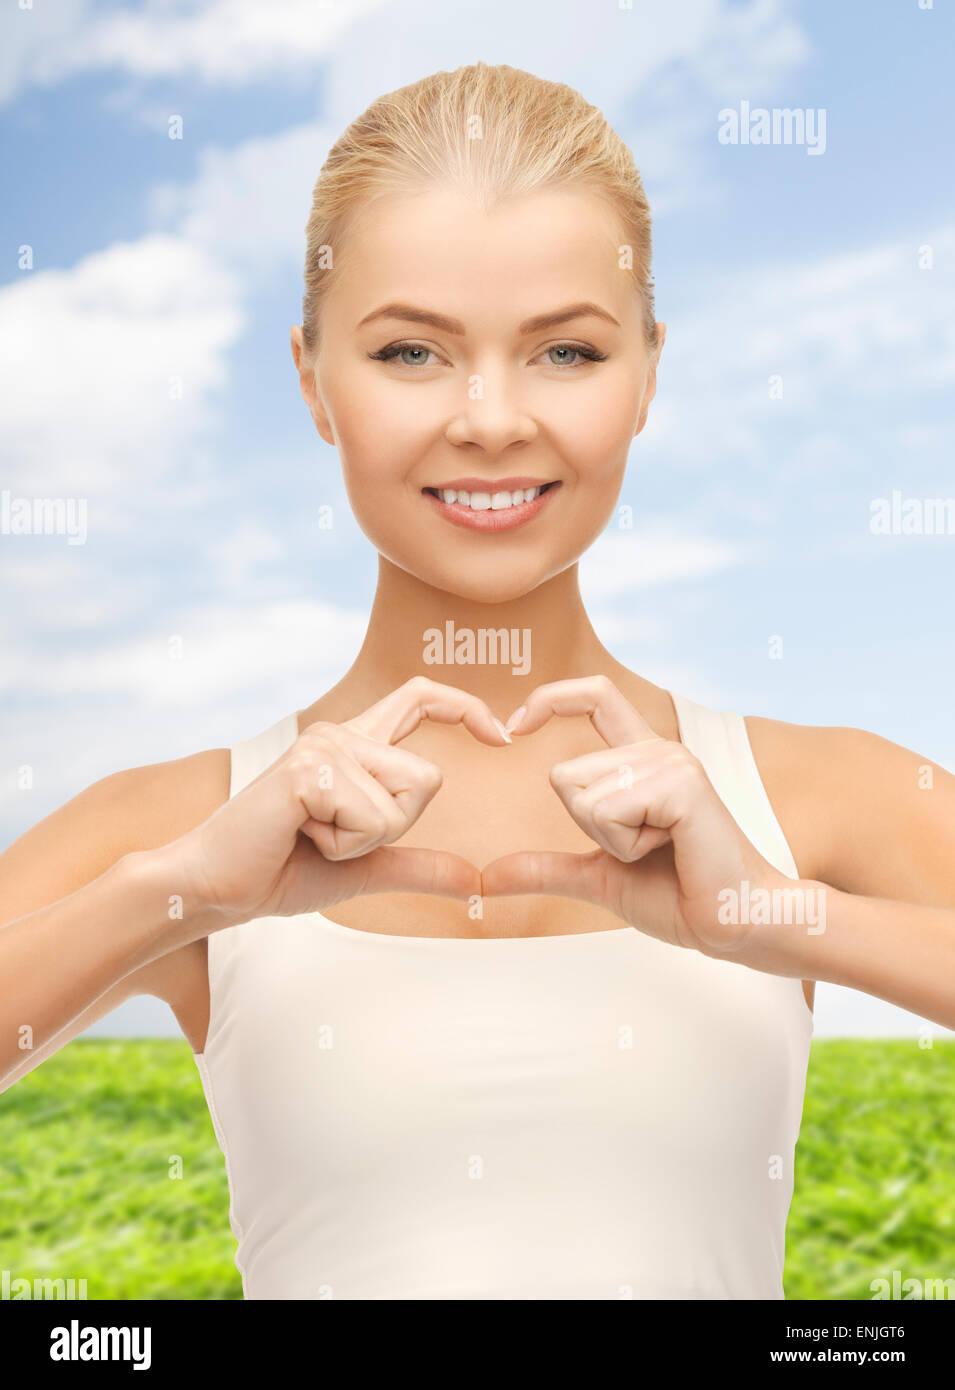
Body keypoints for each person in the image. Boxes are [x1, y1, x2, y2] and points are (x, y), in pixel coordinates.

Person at [2, 62, 953, 1301]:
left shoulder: (813, 794)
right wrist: (175, 895)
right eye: (410, 351)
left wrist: (769, 917)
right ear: (310, 381)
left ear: (648, 373)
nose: (491, 417)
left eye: (565, 350)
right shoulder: (180, 826)